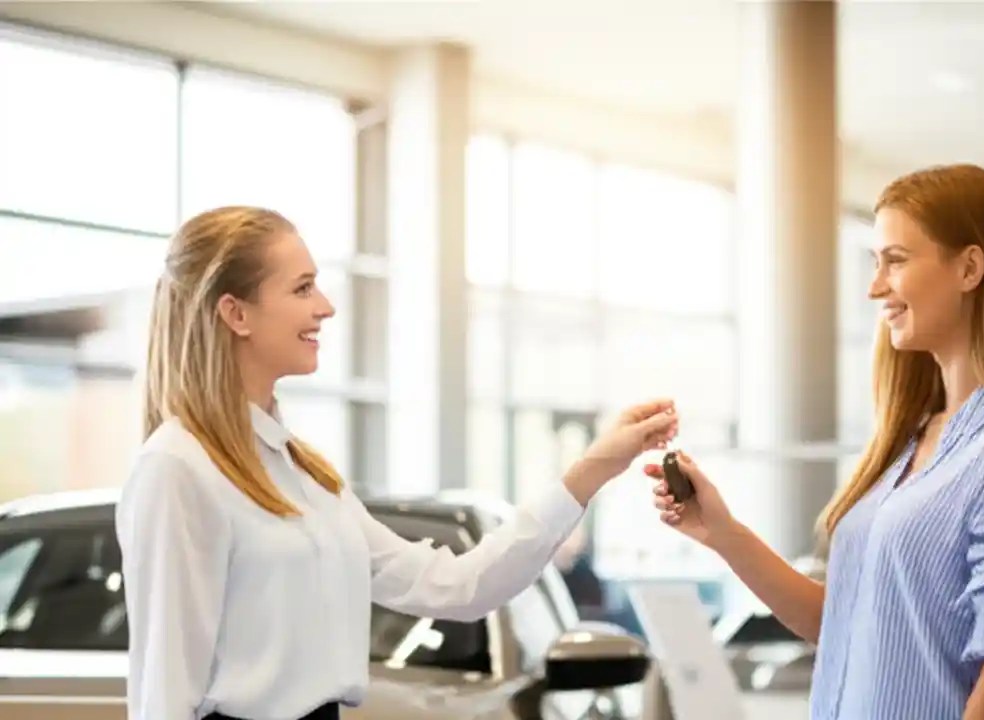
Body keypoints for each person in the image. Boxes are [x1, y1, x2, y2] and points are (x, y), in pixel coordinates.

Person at [117, 206, 680, 720]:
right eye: (303, 288)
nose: (326, 307)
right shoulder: (176, 467)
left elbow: (460, 587)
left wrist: (594, 469)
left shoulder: (303, 474)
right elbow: (165, 693)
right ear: (236, 313)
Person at [650, 165, 984, 718]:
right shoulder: (910, 440)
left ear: (969, 267)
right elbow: (843, 626)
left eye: (895, 260)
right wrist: (724, 534)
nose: (876, 287)